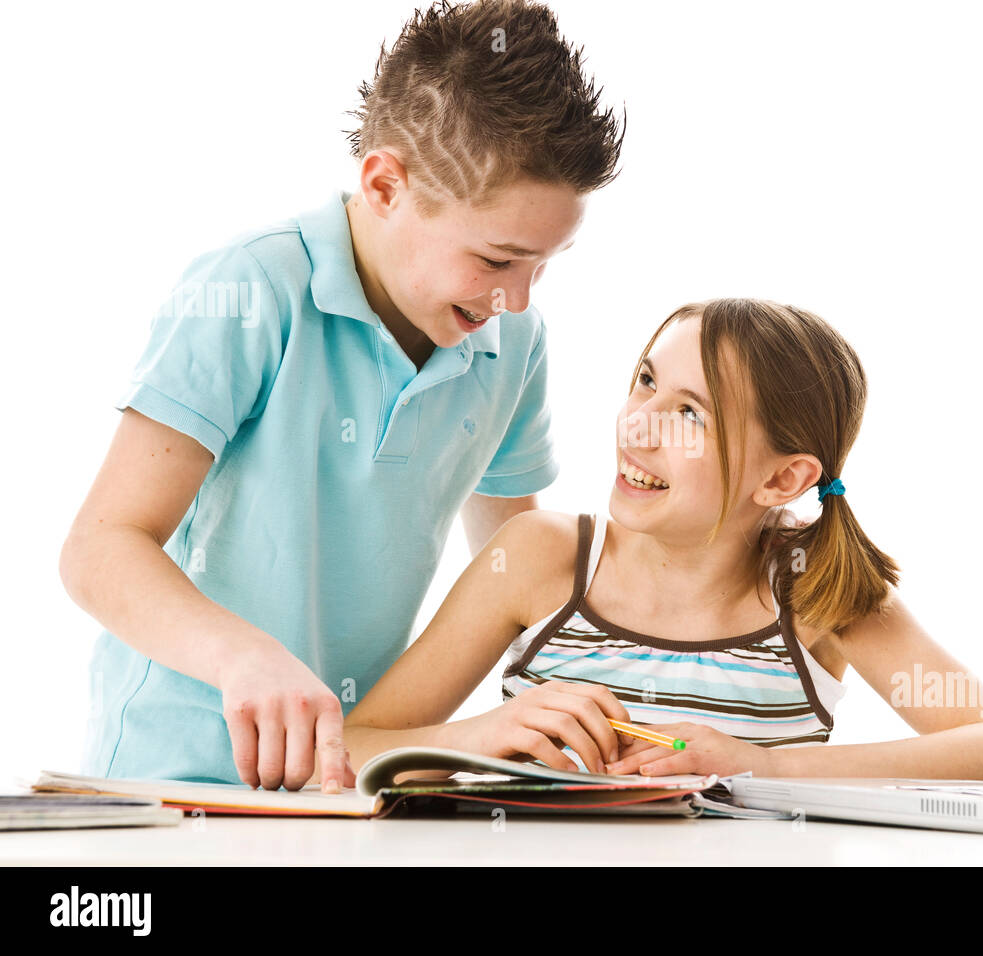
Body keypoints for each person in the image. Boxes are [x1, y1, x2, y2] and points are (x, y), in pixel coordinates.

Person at [58, 0, 625, 790]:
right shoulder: (252, 290)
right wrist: (244, 656)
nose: (521, 299)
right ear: (385, 185)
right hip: (173, 780)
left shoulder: (513, 343)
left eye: (545, 264)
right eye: (498, 259)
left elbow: (511, 573)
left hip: (349, 781)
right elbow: (100, 547)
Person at [339, 299, 983, 781]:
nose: (638, 426)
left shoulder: (815, 591)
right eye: (645, 382)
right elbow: (350, 746)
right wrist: (475, 740)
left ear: (784, 477)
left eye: (689, 414)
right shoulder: (537, 558)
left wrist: (769, 766)